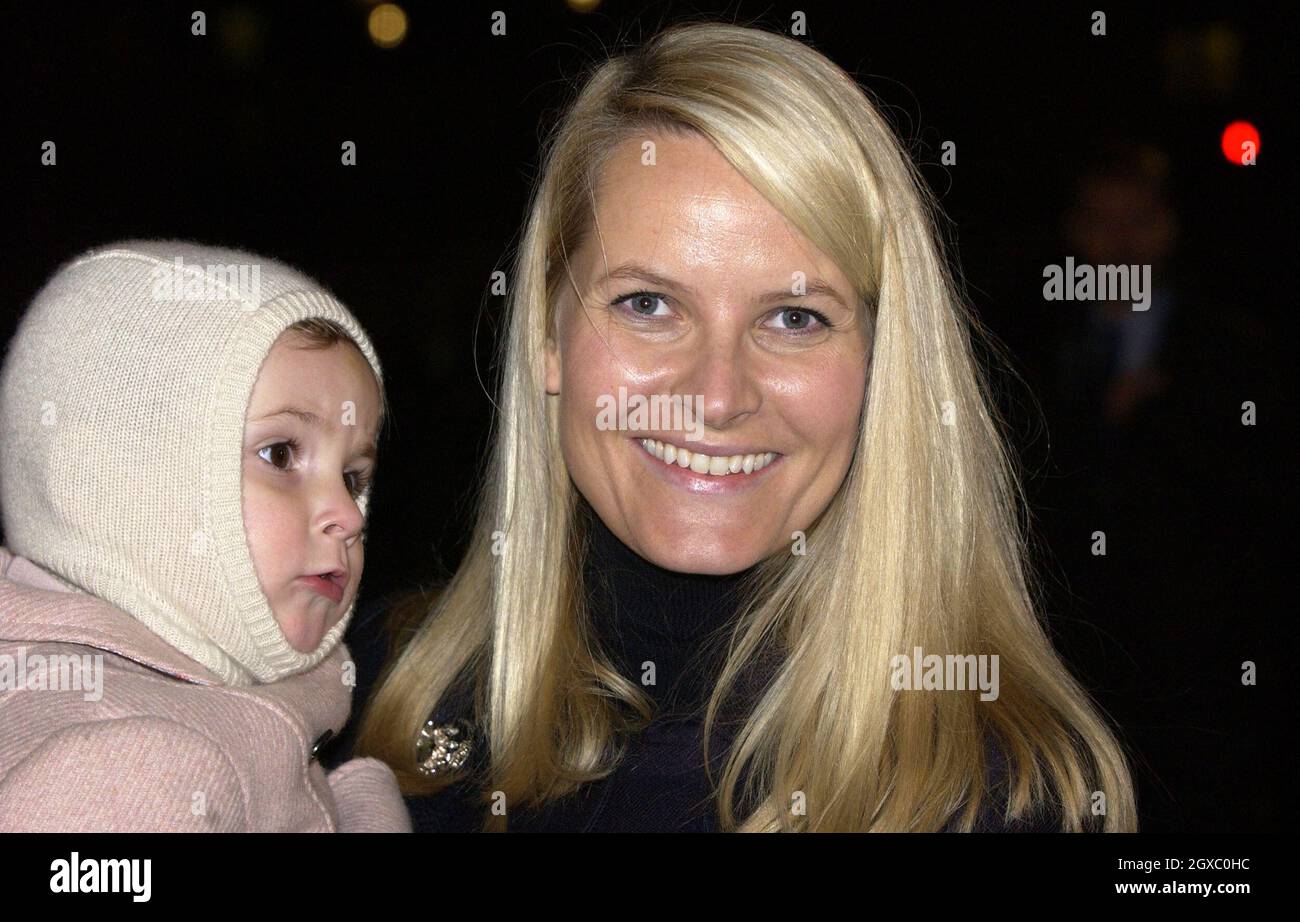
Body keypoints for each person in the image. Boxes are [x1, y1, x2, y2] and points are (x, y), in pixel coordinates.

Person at [353, 21, 1137, 832]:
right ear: (547, 341)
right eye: (647, 304)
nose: (717, 395)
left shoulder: (991, 799)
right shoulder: (367, 696)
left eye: (795, 317)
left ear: (883, 362)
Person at [0, 240, 410, 832]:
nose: (348, 515)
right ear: (119, 481)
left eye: (353, 477)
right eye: (280, 453)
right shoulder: (135, 767)